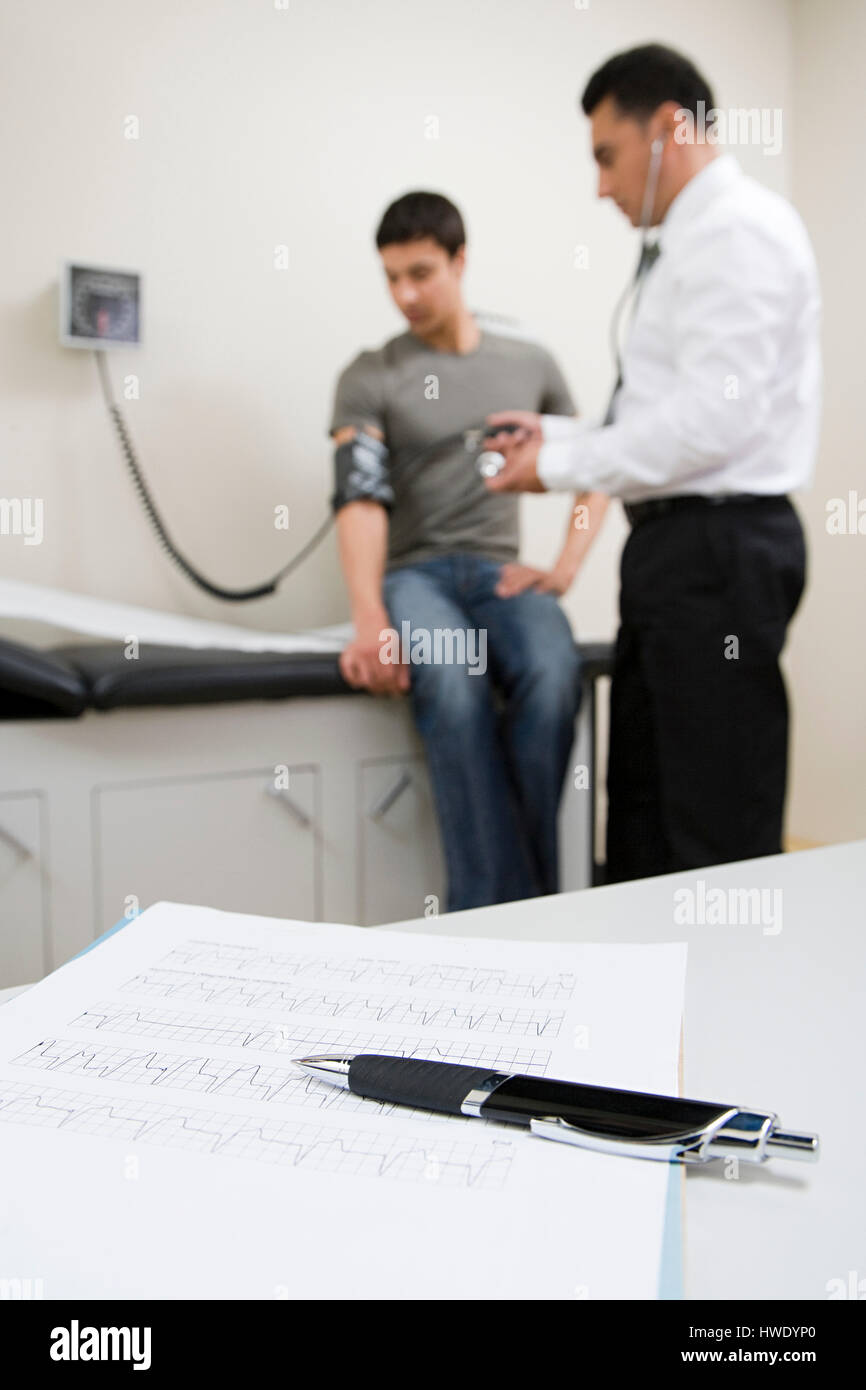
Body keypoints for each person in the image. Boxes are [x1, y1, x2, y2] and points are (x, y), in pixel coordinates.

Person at [484, 44, 821, 883]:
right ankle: (651, 1010)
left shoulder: (739, 232)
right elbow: (665, 413)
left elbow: (712, 425)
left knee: (711, 832)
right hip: (678, 556)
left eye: (607, 155)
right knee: (642, 816)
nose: (600, 185)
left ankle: (729, 1008)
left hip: (718, 553)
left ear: (670, 127)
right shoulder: (692, 243)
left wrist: (556, 467)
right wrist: (554, 438)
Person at [329, 191, 609, 910]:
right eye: (391, 277)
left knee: (553, 677)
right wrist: (370, 619)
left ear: (461, 260)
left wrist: (566, 568)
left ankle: (526, 904)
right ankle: (501, 912)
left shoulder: (530, 363)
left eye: (421, 272)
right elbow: (359, 501)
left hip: (498, 575)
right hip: (418, 577)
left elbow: (600, 465)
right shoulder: (371, 374)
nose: (405, 294)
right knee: (454, 686)